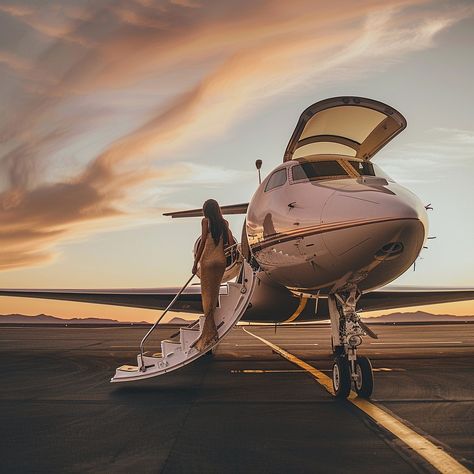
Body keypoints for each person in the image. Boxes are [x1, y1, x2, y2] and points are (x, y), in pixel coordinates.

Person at [192, 199, 234, 352]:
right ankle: (210, 333)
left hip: (207, 261)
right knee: (214, 294)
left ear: (206, 210)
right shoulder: (225, 223)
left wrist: (195, 262)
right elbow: (230, 243)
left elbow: (203, 242)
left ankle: (209, 334)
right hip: (221, 261)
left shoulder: (205, 221)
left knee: (207, 296)